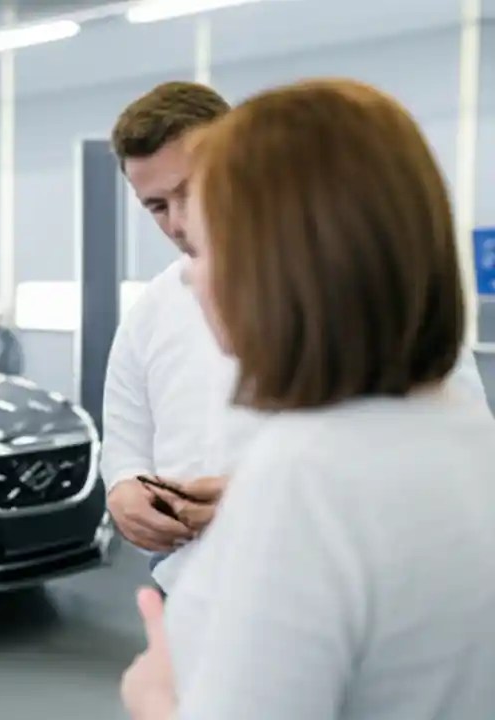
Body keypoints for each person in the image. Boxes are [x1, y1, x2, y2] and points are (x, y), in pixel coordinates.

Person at [119, 78, 495, 719]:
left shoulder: (306, 479)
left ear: (278, 259)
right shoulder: (464, 438)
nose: (194, 269)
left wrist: (155, 693)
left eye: (215, 236)